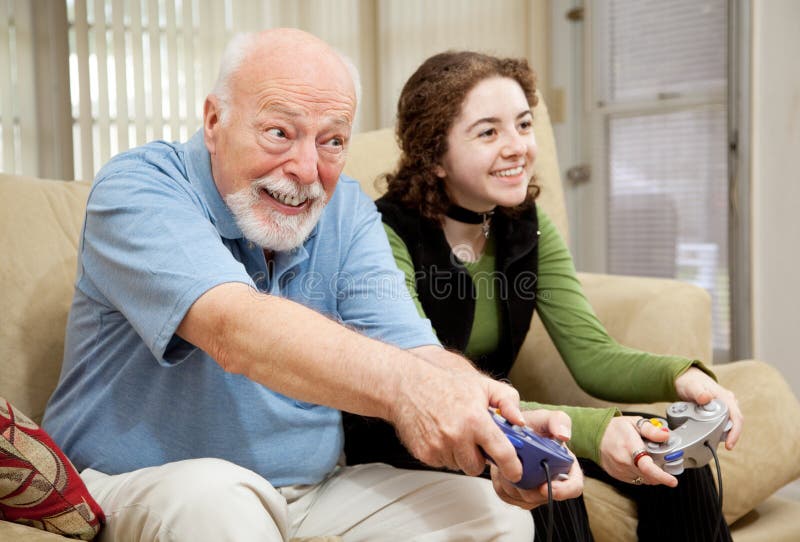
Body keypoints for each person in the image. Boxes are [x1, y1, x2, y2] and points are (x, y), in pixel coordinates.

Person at [40, 29, 585, 542]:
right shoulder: (140, 187)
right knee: (216, 499)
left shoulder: (346, 208)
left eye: (332, 141)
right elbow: (235, 329)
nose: (306, 168)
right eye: (279, 132)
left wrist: (494, 419)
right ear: (214, 120)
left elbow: (413, 347)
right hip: (145, 481)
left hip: (312, 489)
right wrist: (409, 391)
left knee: (495, 516)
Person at [343, 51, 744, 542]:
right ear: (434, 156)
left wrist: (684, 377)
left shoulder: (526, 226)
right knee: (548, 477)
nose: (517, 147)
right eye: (488, 132)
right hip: (413, 436)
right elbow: (427, 386)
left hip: (505, 419)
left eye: (524, 124)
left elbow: (591, 354)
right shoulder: (383, 235)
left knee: (672, 457)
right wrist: (594, 431)